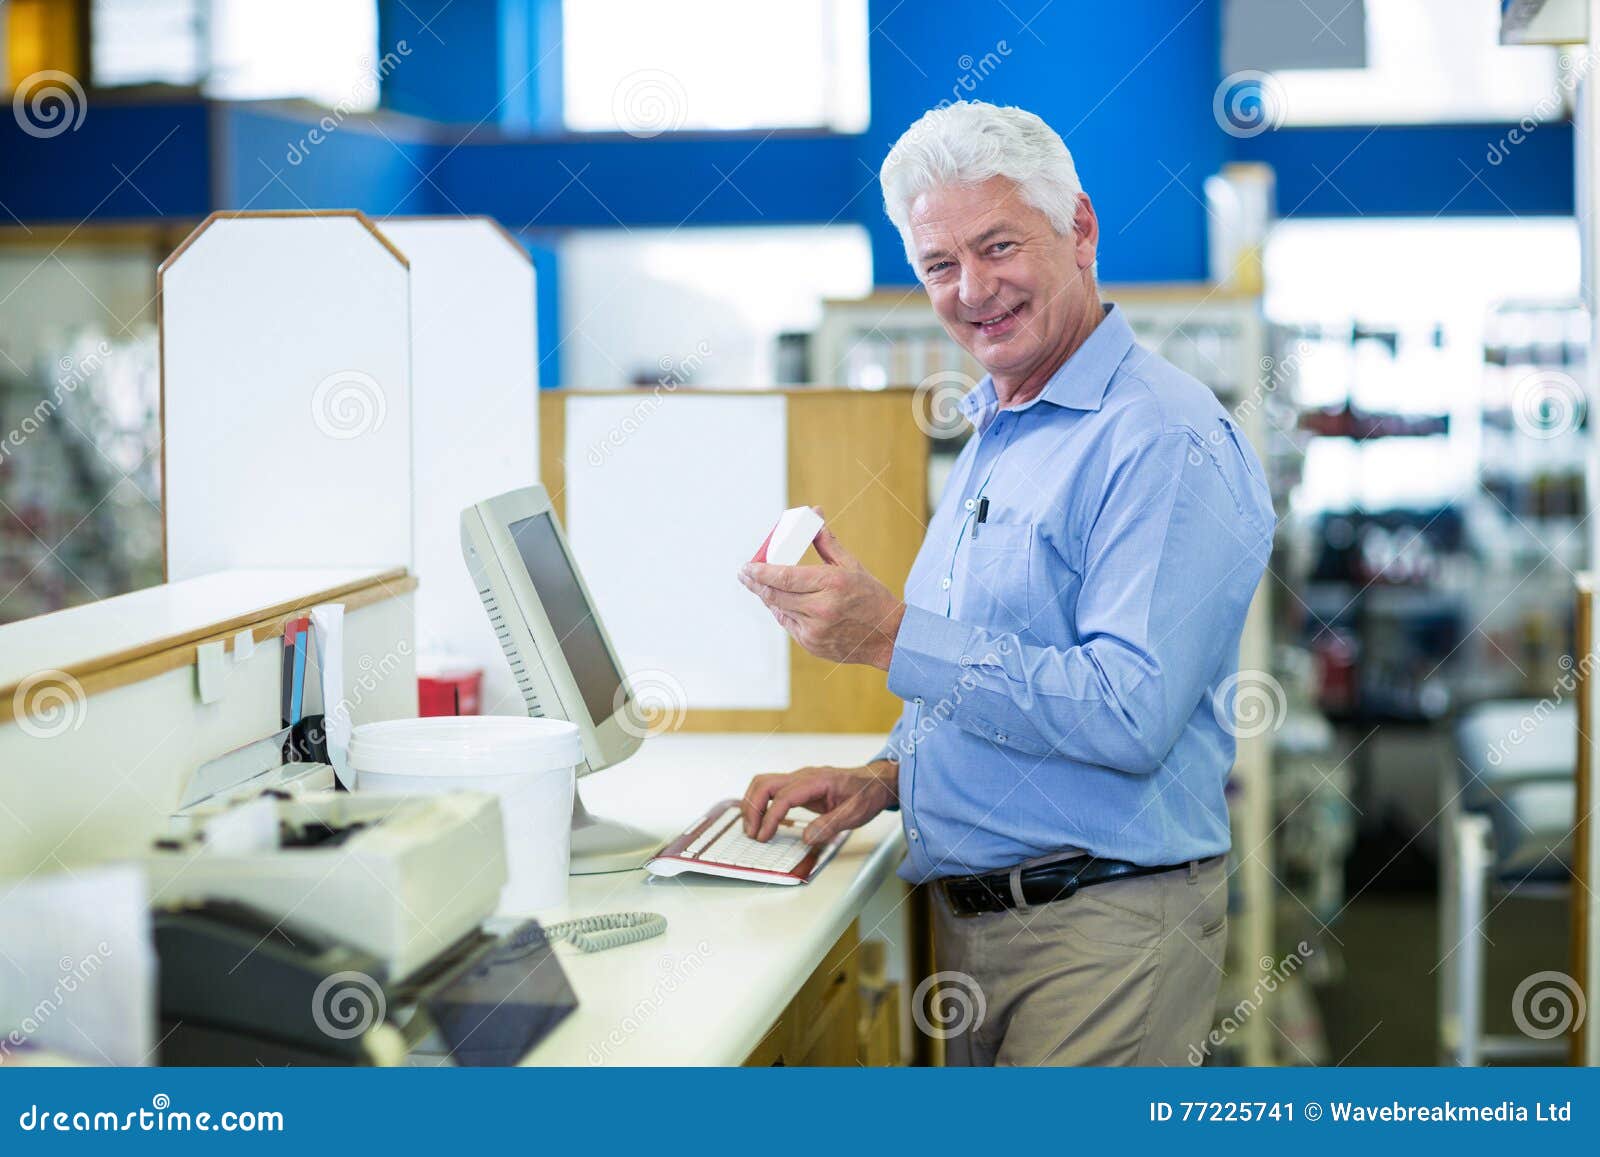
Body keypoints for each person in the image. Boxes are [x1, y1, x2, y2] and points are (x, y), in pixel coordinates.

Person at [735, 101, 1275, 1066]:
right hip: (983, 927)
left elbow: (1129, 710)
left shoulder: (1161, 438)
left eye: (997, 247)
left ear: (1080, 229)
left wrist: (890, 635)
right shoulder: (1002, 422)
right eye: (940, 264)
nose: (973, 289)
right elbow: (1004, 662)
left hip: (1101, 934)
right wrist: (886, 777)